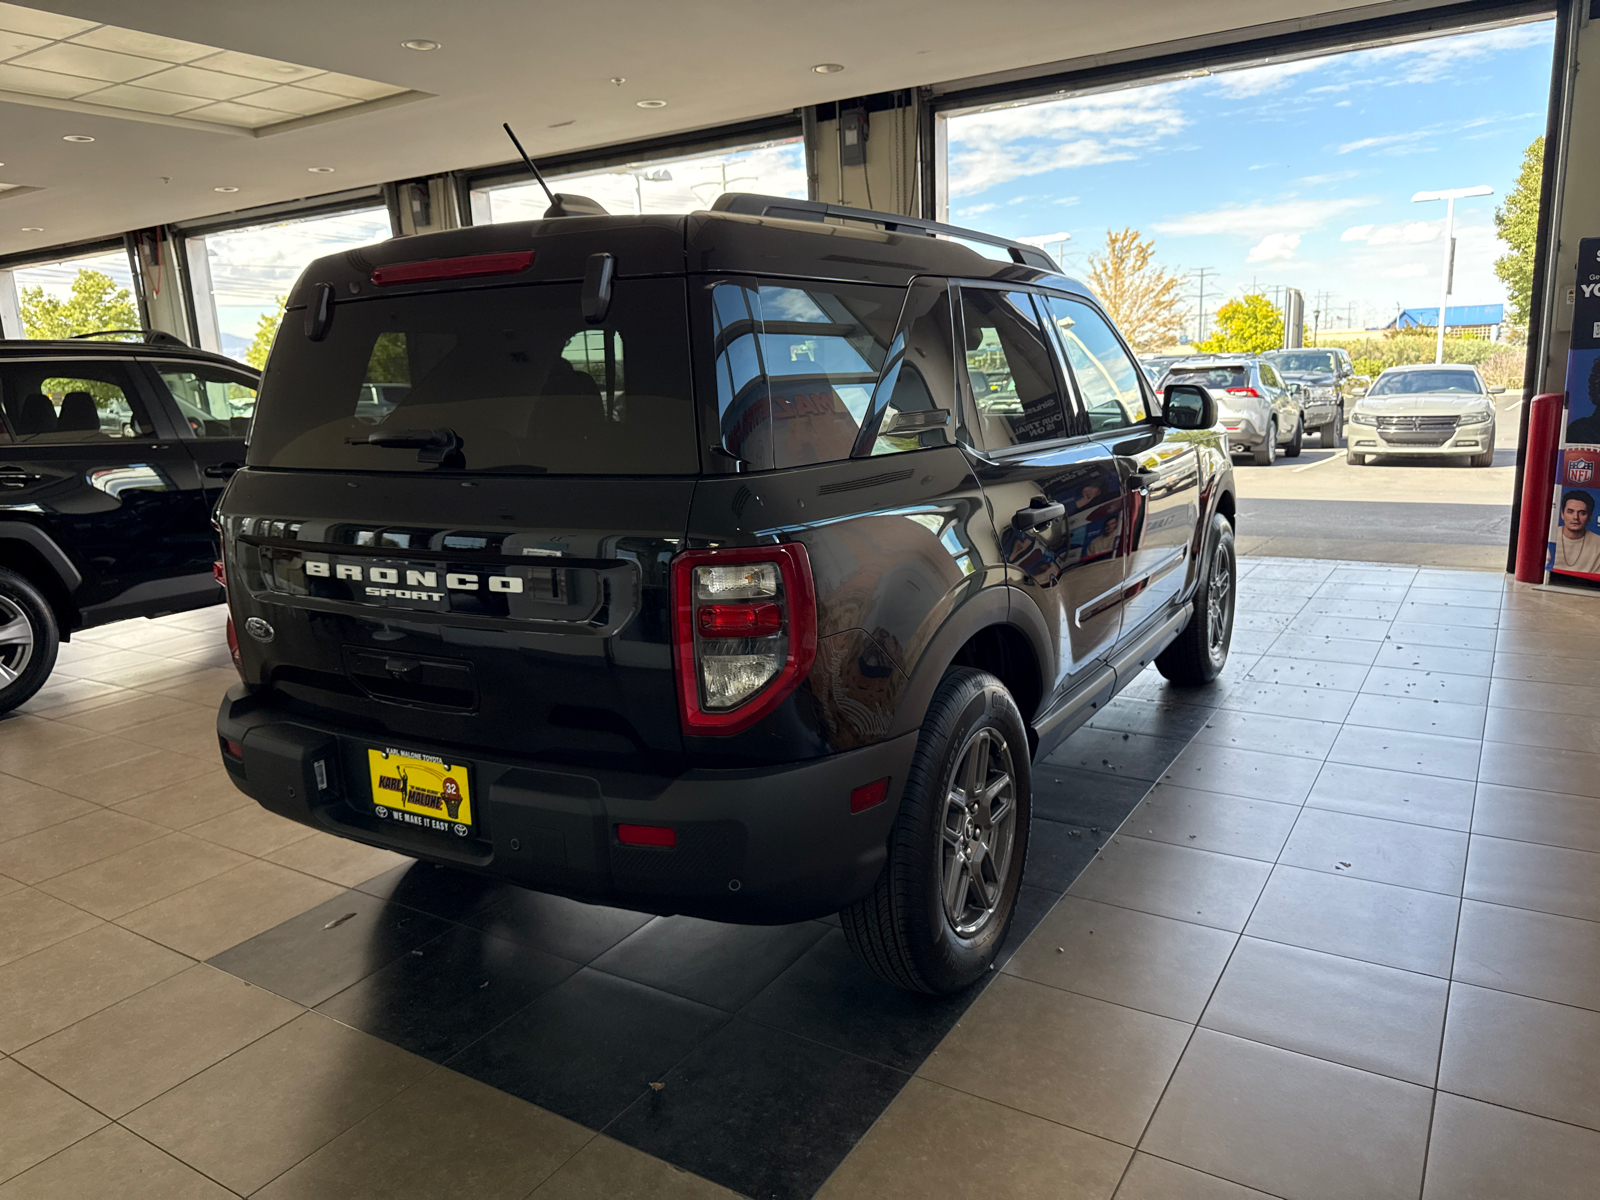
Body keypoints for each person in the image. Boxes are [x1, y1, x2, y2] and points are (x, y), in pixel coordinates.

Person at [1554, 489, 1600, 575]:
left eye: (1582, 513)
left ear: (1590, 517)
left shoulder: (1598, 543)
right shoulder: (1549, 537)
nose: (1575, 517)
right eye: (1570, 512)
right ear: (1562, 514)